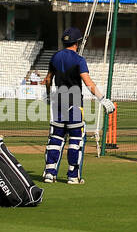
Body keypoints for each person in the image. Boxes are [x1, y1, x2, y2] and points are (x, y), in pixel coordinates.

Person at [43, 25, 112, 185]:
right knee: (76, 139)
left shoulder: (55, 57)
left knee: (56, 138)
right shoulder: (79, 60)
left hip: (58, 102)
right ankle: (72, 176)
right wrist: (103, 99)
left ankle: (49, 173)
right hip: (74, 103)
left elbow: (47, 79)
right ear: (77, 42)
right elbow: (88, 83)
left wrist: (48, 95)